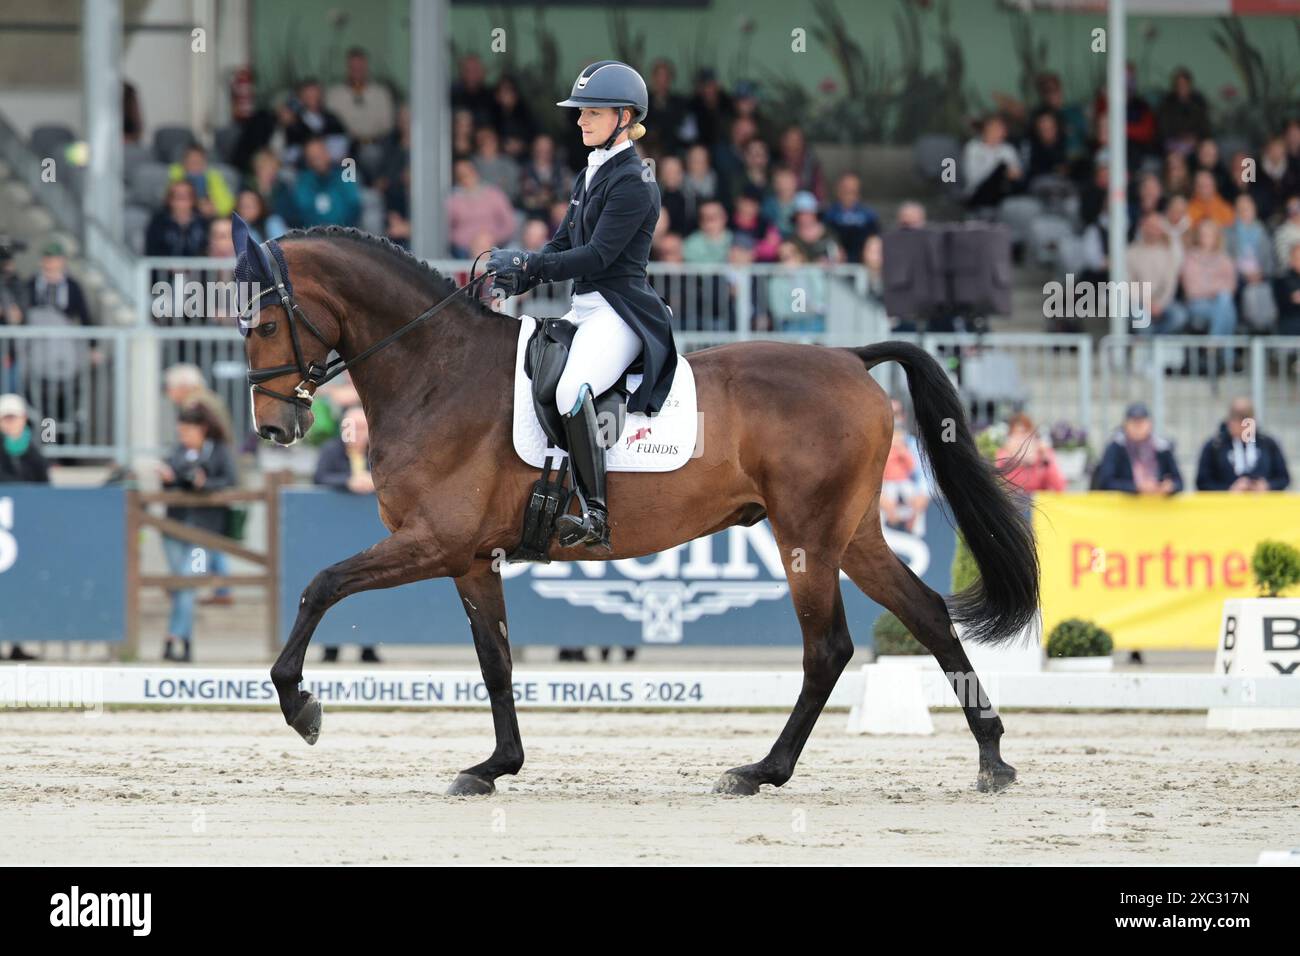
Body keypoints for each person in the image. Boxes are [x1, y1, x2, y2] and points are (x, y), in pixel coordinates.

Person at [486, 60, 678, 552]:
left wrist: (533, 266)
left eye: (591, 112)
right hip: (586, 307)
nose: (580, 121)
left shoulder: (635, 180)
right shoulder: (590, 173)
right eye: (580, 112)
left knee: (573, 387)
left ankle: (595, 512)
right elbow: (560, 243)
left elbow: (597, 256)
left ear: (624, 116)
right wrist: (520, 270)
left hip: (621, 309)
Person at [157, 405, 237, 662]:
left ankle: (173, 638)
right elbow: (172, 480)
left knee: (188, 581)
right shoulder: (179, 451)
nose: (183, 436)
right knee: (183, 586)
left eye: (187, 431)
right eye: (180, 432)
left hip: (204, 529)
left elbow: (230, 481)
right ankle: (186, 641)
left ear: (201, 429)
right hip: (175, 526)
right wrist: (170, 477)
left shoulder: (220, 451)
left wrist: (206, 484)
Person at [313, 405, 382, 664]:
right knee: (332, 584)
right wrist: (348, 483)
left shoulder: (380, 451)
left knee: (370, 586)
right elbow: (319, 477)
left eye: (361, 428)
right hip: (335, 534)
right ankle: (330, 646)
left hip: (369, 533)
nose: (355, 434)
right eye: (350, 428)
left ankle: (369, 646)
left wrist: (373, 482)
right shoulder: (331, 452)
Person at [1195, 398, 1290, 492]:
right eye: (1238, 420)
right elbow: (1203, 482)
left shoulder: (1268, 444)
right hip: (1225, 506)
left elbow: (1283, 478)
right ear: (1229, 421)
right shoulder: (1214, 446)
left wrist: (1268, 486)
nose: (1242, 425)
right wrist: (1229, 489)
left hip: (1262, 505)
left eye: (1246, 419)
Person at [1092, 403, 1183, 495]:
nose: (1138, 427)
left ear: (1150, 424)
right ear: (1125, 424)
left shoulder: (1162, 448)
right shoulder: (1116, 448)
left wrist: (1170, 486)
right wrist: (1136, 487)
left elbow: (1179, 482)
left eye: (1142, 422)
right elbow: (1105, 482)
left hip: (1156, 507)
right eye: (1134, 422)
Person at [1180, 218, 1237, 336]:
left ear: (1216, 236)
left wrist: (1210, 289)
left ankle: (1214, 344)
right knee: (1227, 310)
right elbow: (1191, 291)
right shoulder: (1189, 258)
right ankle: (1226, 352)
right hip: (1196, 304)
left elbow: (1231, 286)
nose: (1206, 237)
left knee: (1224, 301)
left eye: (1209, 234)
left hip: (1219, 302)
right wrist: (1216, 289)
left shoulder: (1224, 258)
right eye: (1203, 234)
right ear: (1197, 236)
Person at [289, 137, 361, 228]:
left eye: (320, 154)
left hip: (345, 232)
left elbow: (353, 204)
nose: (317, 159)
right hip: (313, 235)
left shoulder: (344, 175)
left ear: (328, 154)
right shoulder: (303, 182)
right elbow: (303, 211)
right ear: (308, 161)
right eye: (313, 157)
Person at [962, 114, 1022, 210]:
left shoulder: (1008, 150)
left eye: (1000, 129)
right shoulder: (973, 148)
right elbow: (972, 178)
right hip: (978, 193)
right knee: (1001, 168)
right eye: (993, 128)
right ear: (985, 129)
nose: (996, 132)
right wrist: (1000, 171)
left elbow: (1016, 174)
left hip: (1002, 192)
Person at [996, 413, 1067, 493]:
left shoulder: (1043, 453)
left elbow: (1059, 487)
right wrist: (1013, 461)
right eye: (1016, 433)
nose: (1020, 438)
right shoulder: (1003, 455)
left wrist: (1045, 458)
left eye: (1024, 432)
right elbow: (999, 485)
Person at [168, 144, 235, 220]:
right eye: (191, 161)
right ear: (184, 163)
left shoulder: (213, 177)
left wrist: (214, 209)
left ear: (204, 164)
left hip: (209, 218)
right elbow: (169, 201)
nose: (194, 166)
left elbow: (227, 206)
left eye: (198, 162)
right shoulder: (175, 176)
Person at [145, 180, 209, 258]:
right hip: (163, 268)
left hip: (197, 268)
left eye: (186, 197)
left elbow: (207, 250)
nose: (182, 202)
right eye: (178, 197)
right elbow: (151, 252)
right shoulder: (158, 223)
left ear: (193, 200)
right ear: (169, 200)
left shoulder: (203, 223)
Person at [0, 393, 50, 483]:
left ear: (24, 418)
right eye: (5, 419)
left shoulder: (35, 449)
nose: (10, 423)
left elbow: (44, 483)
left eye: (13, 418)